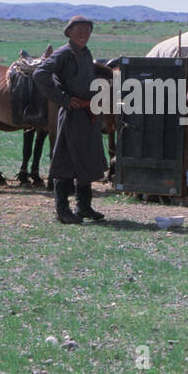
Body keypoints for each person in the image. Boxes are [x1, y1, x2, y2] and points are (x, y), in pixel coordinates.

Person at [33, 15, 107, 224]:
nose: (84, 33)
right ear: (69, 32)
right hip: (72, 114)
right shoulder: (64, 53)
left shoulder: (85, 52)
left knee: (86, 158)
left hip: (87, 113)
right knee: (66, 160)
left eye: (88, 29)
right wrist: (62, 99)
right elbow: (40, 74)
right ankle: (62, 210)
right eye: (79, 29)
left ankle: (84, 207)